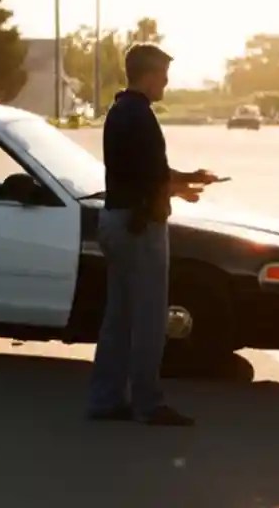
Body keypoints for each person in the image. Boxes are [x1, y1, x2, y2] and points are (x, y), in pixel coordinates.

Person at [86, 42, 221, 427]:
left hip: (117, 220)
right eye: (162, 74)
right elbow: (151, 177)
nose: (166, 81)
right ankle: (147, 402)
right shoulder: (141, 116)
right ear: (148, 74)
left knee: (119, 316)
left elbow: (136, 174)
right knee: (148, 317)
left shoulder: (118, 111)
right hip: (140, 227)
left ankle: (106, 398)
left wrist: (181, 187)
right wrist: (188, 180)